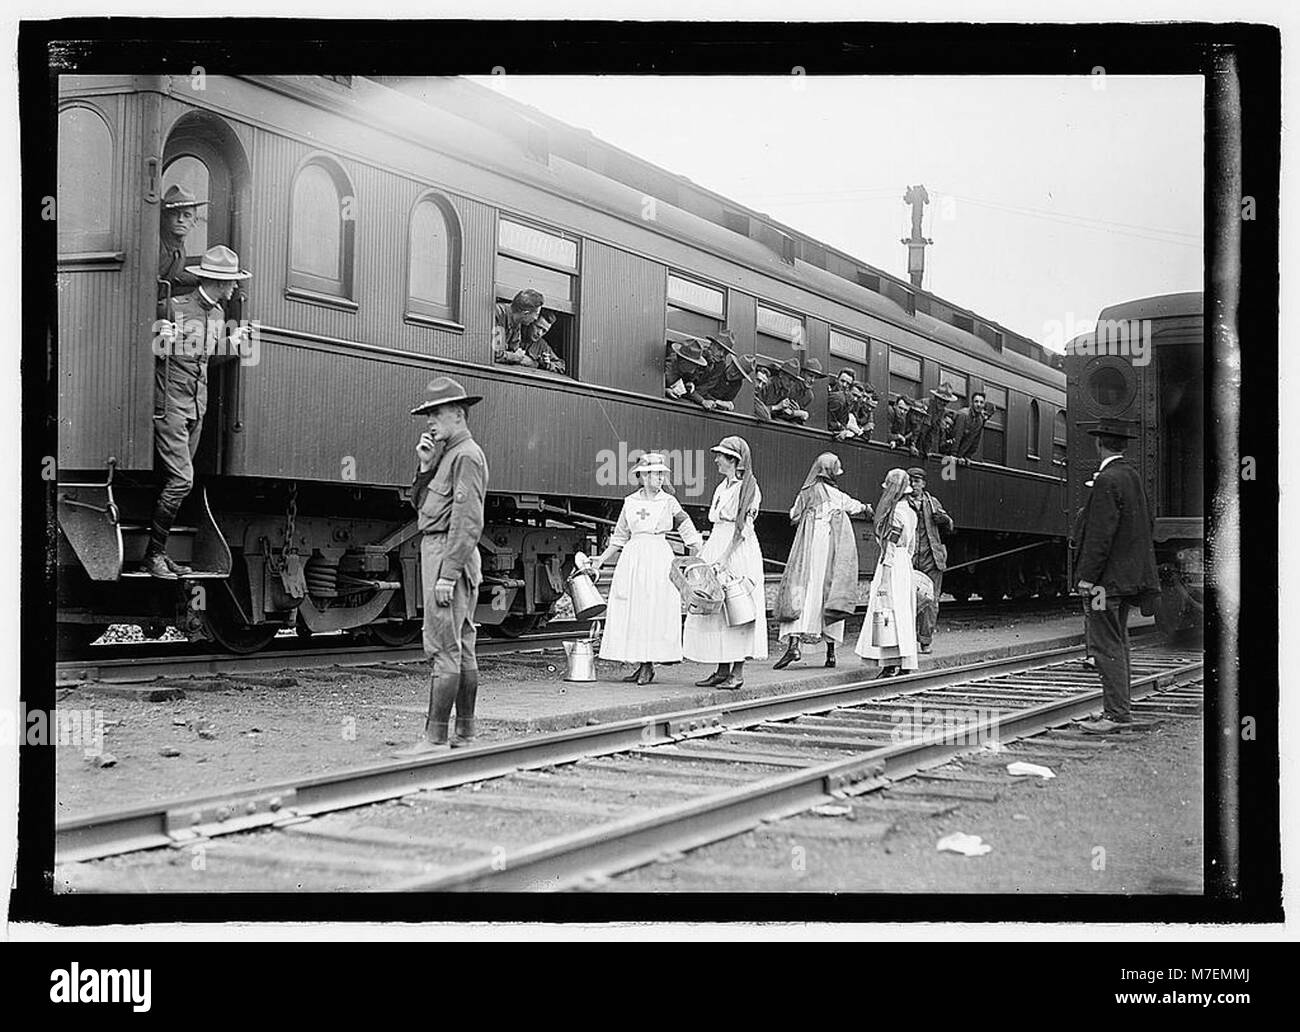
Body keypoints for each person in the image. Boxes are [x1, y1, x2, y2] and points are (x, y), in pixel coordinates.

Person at [142, 244, 252, 579]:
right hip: (170, 406)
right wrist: (155, 335)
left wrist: (233, 347)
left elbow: (205, 358)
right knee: (181, 481)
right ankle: (153, 556)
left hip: (194, 407)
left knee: (177, 482)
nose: (234, 287)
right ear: (218, 281)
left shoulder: (217, 314)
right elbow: (142, 343)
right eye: (231, 281)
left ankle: (161, 554)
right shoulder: (173, 307)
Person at [397, 376, 490, 756]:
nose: (430, 422)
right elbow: (424, 507)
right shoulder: (448, 455)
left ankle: (434, 739)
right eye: (428, 415)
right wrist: (424, 465)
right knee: (462, 646)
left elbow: (468, 521)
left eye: (435, 414)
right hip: (447, 552)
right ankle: (464, 733)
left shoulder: (466, 454)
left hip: (447, 555)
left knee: (443, 648)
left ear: (457, 413)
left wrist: (447, 575)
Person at [1072, 420, 1161, 733]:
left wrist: (1086, 577)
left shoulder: (1107, 480)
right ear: (1122, 445)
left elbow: (1100, 535)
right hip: (1126, 579)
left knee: (1104, 643)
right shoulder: (1132, 477)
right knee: (1118, 641)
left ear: (1099, 444)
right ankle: (1119, 708)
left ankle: (1116, 714)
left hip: (1104, 584)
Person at [589, 453, 703, 684]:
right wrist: (601, 558)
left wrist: (695, 551)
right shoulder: (630, 502)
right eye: (655, 473)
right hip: (633, 558)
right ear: (643, 476)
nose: (660, 478)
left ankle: (649, 664)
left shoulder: (668, 501)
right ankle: (640, 661)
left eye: (662, 474)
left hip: (658, 556)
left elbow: (686, 526)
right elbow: (620, 536)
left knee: (654, 607)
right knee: (635, 607)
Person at [683, 436, 767, 690]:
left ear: (734, 460)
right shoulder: (722, 487)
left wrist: (725, 558)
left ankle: (737, 671)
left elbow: (743, 529)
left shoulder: (749, 488)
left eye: (721, 455)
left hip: (736, 550)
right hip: (718, 543)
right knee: (716, 609)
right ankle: (721, 669)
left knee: (736, 606)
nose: (716, 459)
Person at [773, 453, 871, 669]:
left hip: (808, 550)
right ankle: (830, 653)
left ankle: (794, 645)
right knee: (828, 593)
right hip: (831, 550)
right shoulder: (839, 496)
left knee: (802, 590)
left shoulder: (807, 492)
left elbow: (793, 514)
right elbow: (856, 506)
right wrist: (865, 507)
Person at [855, 468, 919, 677]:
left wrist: (884, 580)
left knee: (886, 610)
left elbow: (889, 548)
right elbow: (911, 547)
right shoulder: (910, 512)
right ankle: (905, 661)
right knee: (903, 612)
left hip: (891, 566)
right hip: (905, 564)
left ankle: (890, 663)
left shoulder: (896, 514)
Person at [907, 466, 954, 654]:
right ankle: (908, 639)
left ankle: (925, 640)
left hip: (931, 558)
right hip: (910, 558)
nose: (913, 485)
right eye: (910, 481)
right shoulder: (902, 502)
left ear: (923, 484)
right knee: (907, 600)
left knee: (930, 601)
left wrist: (944, 520)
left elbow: (949, 523)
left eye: (916, 481)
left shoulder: (932, 502)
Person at [157, 184, 206, 309]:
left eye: (187, 215)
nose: (180, 220)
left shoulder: (180, 249)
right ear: (165, 218)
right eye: (174, 214)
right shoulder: (157, 246)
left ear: (194, 221)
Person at [493, 288, 544, 365]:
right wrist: (515, 357)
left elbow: (515, 350)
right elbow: (495, 354)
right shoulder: (498, 314)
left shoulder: (516, 323)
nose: (536, 318)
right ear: (526, 313)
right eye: (536, 314)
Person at [916, 383, 959, 459]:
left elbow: (938, 436)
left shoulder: (944, 413)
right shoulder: (924, 404)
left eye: (946, 401)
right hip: (916, 448)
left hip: (929, 453)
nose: (943, 403)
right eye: (940, 399)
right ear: (935, 397)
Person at [664, 334, 709, 401]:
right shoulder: (668, 369)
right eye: (692, 366)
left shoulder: (683, 371)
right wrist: (665, 390)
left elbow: (685, 389)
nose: (693, 370)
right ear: (683, 361)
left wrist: (689, 385)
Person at [521, 310, 567, 374]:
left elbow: (561, 366)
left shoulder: (542, 344)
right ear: (531, 322)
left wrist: (547, 364)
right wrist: (535, 364)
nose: (539, 333)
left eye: (544, 331)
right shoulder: (515, 333)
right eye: (538, 327)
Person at [768, 358, 812, 424]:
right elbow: (756, 409)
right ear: (781, 374)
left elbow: (782, 413)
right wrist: (776, 407)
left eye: (794, 381)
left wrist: (794, 412)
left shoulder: (786, 390)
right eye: (790, 379)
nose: (791, 383)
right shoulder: (768, 385)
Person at [950, 392, 987, 462]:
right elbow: (957, 435)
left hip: (961, 457)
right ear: (972, 403)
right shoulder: (964, 415)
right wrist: (954, 454)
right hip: (950, 454)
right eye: (976, 402)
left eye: (981, 402)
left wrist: (967, 456)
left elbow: (975, 441)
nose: (978, 404)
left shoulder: (980, 420)